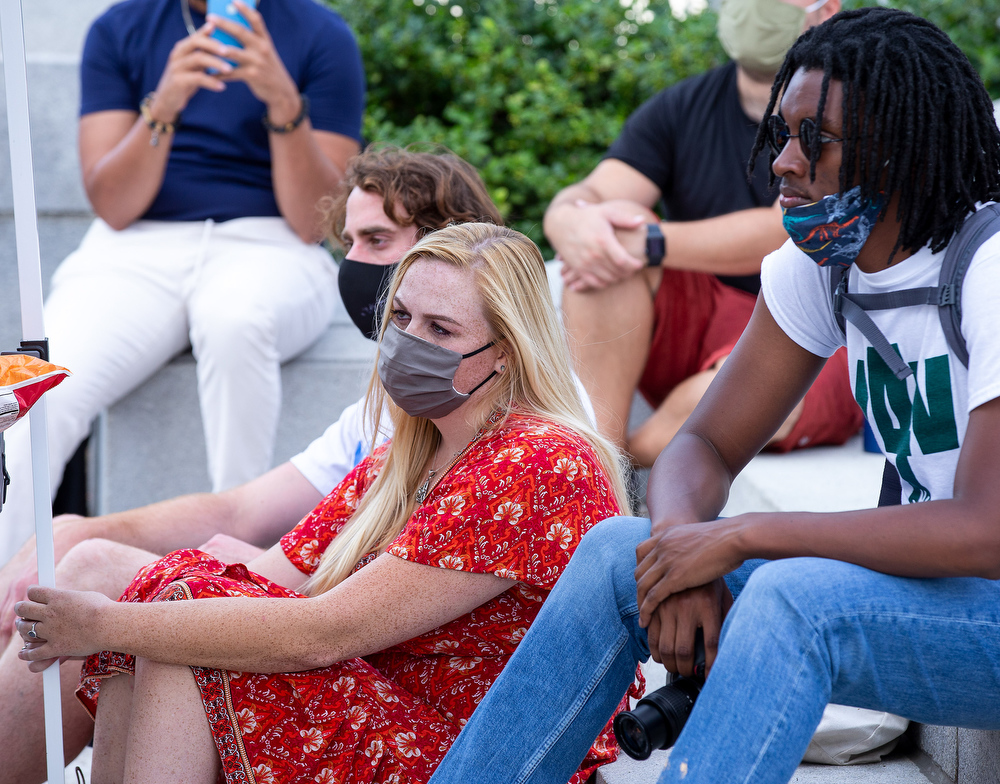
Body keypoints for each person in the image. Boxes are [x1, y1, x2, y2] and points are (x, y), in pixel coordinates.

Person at [424, 8, 1000, 784]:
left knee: (794, 598)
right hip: (924, 598)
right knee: (611, 556)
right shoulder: (823, 266)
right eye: (782, 136)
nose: (784, 164)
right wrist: (678, 548)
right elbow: (705, 444)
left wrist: (739, 537)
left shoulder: (986, 267)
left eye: (815, 141)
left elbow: (985, 530)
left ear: (902, 142)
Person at [16, 223, 633, 784]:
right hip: (394, 718)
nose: (408, 341)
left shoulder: (536, 460)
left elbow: (323, 633)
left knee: (185, 617)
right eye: (402, 318)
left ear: (506, 352)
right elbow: (270, 581)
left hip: (475, 758)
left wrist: (103, 623)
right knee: (171, 596)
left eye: (440, 330)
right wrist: (151, 584)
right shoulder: (411, 455)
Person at [0, 0, 365, 563]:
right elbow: (114, 206)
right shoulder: (119, 28)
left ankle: (229, 577)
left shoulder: (321, 33)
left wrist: (283, 104)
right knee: (37, 389)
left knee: (234, 321)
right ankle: (7, 591)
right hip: (135, 247)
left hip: (271, 242)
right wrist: (163, 105)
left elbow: (316, 222)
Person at [547, 0, 865, 467]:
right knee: (603, 250)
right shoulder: (684, 104)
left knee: (735, 405)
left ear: (827, 8)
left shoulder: (860, 107)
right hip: (704, 314)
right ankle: (595, 458)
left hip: (816, 328)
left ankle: (603, 467)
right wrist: (570, 222)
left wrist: (653, 243)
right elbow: (592, 192)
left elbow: (791, 229)